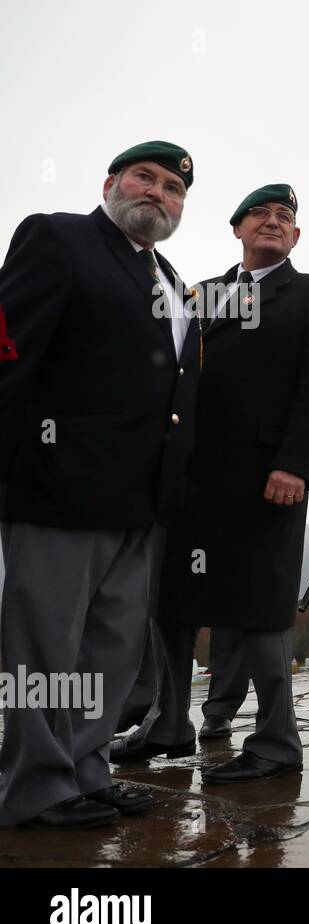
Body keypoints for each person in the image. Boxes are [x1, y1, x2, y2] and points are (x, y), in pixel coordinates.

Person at [0, 141, 197, 828]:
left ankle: (85, 769)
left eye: (173, 188)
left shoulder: (173, 281)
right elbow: (10, 357)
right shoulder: (58, 238)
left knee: (109, 651)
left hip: (139, 503)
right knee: (45, 652)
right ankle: (35, 786)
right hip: (56, 489)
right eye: (145, 177)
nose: (158, 193)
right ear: (111, 182)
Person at [148, 184, 309, 784]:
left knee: (260, 611)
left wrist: (296, 464)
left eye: (284, 216)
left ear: (296, 237)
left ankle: (276, 742)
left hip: (267, 479)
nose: (272, 221)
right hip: (190, 476)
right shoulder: (202, 296)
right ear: (236, 229)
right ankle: (168, 723)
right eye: (259, 214)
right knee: (172, 605)